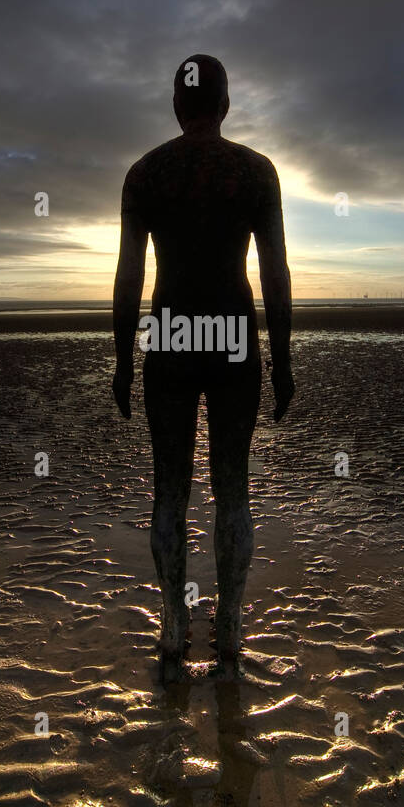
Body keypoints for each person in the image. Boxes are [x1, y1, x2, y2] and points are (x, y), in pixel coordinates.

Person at [112, 55, 293, 678]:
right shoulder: (256, 172)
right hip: (235, 335)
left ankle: (172, 630)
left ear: (175, 106)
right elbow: (274, 271)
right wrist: (284, 357)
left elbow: (130, 275)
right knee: (232, 490)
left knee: (170, 492)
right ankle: (232, 633)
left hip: (168, 335)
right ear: (224, 104)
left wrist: (121, 359)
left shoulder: (146, 173)